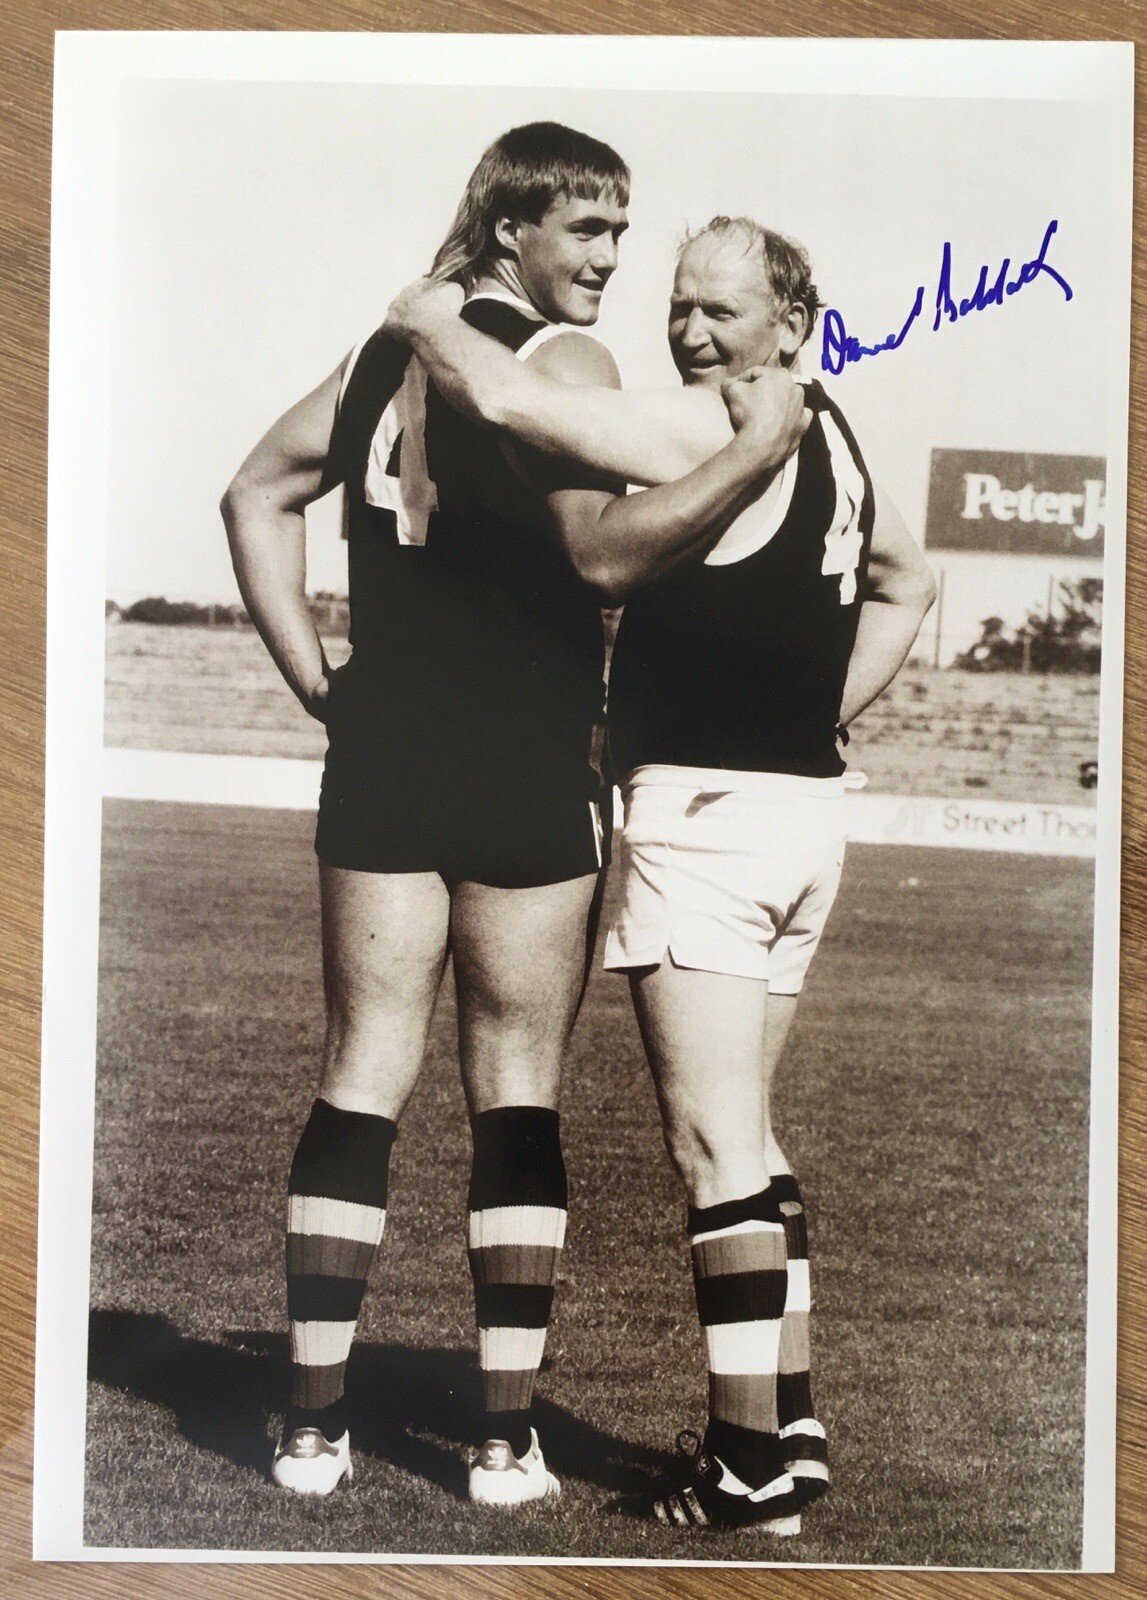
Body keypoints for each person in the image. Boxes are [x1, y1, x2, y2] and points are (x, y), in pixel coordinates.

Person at [221, 129, 809, 1506]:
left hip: (385, 752)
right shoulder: (566, 367)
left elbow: (255, 492)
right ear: (508, 234)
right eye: (587, 230)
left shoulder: (383, 356)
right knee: (515, 1088)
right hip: (528, 752)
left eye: (621, 231)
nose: (613, 261)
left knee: (362, 1068)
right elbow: (610, 551)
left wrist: (324, 687)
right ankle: (499, 1442)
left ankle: (311, 1425)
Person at [383, 214, 937, 1532]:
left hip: (706, 817)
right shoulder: (840, 428)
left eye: (720, 312)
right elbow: (913, 582)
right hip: (803, 815)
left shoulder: (712, 423)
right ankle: (787, 1433)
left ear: (789, 325)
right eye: (680, 306)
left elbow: (509, 392)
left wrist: (418, 314)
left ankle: (747, 1473)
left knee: (711, 1147)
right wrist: (819, 717)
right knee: (748, 1133)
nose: (689, 332)